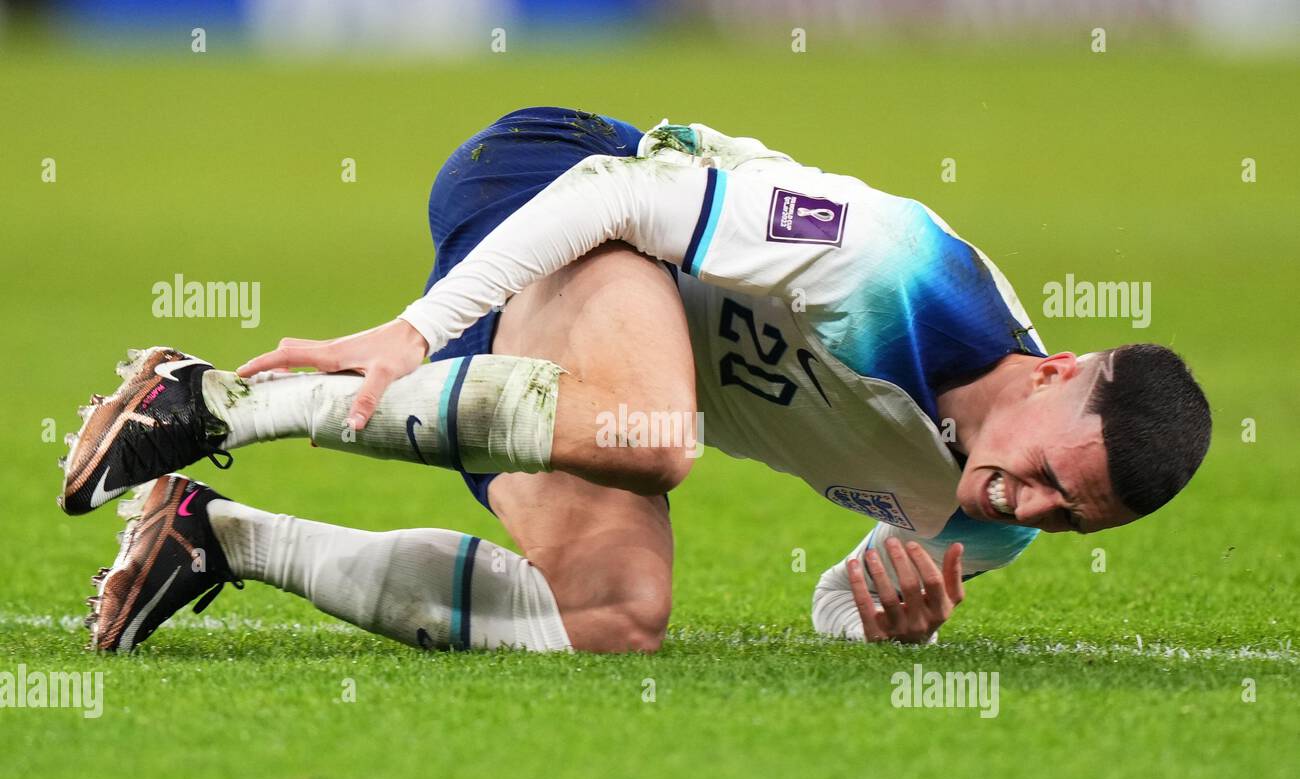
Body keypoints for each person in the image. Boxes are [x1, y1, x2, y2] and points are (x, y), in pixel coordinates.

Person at [59, 107, 1211, 654]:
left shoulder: (990, 522)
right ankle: (212, 402)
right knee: (664, 432)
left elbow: (829, 608)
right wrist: (413, 332)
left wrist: (879, 626)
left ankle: (219, 536)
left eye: (1073, 518)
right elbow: (621, 192)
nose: (1036, 510)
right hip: (549, 187)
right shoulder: (897, 264)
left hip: (582, 380)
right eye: (1058, 477)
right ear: (1056, 372)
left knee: (613, 617)